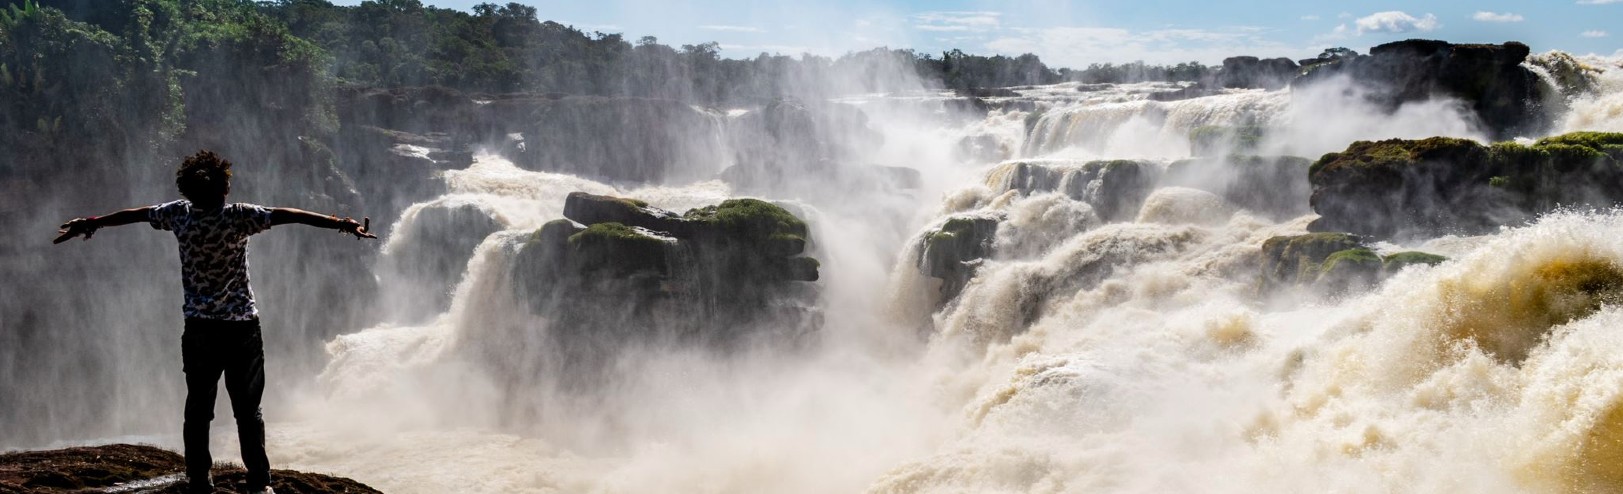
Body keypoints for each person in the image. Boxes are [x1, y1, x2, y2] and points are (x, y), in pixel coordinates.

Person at [53, 150, 376, 494]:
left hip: (200, 328)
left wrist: (91, 222)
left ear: (188, 191)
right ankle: (259, 482)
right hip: (242, 327)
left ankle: (199, 480)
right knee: (248, 411)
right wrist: (343, 224)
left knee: (198, 409)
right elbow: (290, 215)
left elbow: (135, 214)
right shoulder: (239, 217)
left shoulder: (178, 214)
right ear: (224, 188)